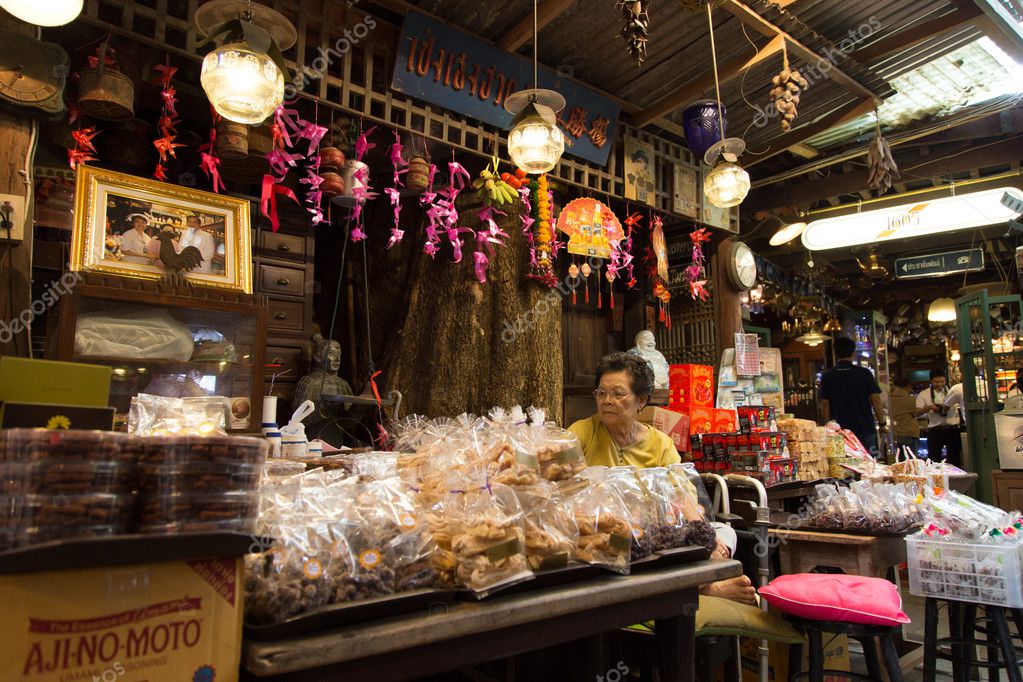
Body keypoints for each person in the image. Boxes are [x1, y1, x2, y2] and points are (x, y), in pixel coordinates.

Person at [568, 352, 754, 604]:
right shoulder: (583, 432)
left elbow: (682, 492)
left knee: (723, 531)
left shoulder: (660, 443)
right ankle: (703, 587)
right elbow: (563, 481)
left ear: (641, 400)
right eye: (601, 393)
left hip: (656, 528)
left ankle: (699, 582)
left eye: (617, 393)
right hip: (607, 530)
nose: (607, 401)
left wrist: (706, 536)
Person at [820, 336, 886, 457]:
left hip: (840, 432)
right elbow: (876, 400)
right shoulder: (864, 373)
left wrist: (829, 428)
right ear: (853, 353)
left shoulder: (827, 376)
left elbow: (825, 404)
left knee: (845, 468)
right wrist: (882, 424)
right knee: (870, 466)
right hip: (865, 429)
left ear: (835, 354)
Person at [916, 368, 962, 467]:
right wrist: (929, 407)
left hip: (953, 429)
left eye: (942, 381)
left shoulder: (952, 391)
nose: (940, 384)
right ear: (931, 381)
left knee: (955, 459)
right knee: (933, 459)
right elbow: (917, 412)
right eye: (936, 382)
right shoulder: (924, 394)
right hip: (935, 430)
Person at [890, 376, 920, 454]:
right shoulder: (910, 399)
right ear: (908, 386)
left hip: (895, 433)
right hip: (908, 432)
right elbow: (916, 413)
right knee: (910, 461)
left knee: (898, 460)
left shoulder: (890, 398)